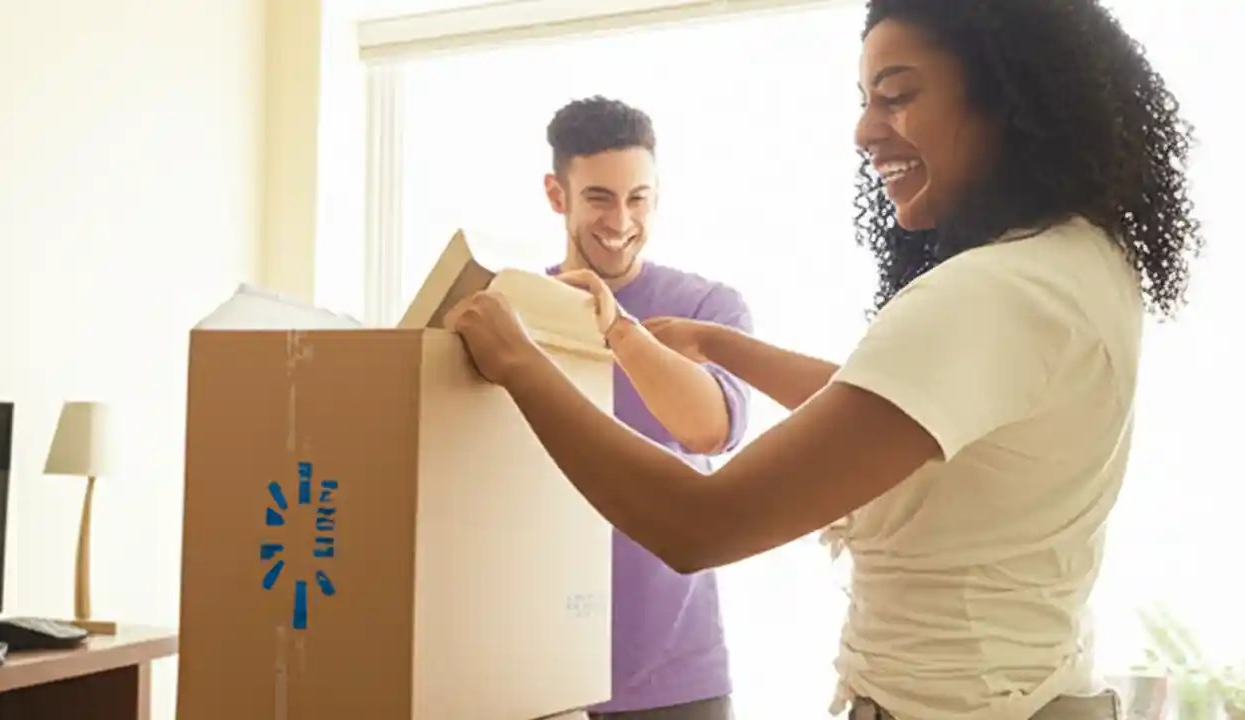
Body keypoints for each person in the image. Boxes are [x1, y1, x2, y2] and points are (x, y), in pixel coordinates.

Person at [448, 1, 1202, 718]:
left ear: (1010, 95)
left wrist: (519, 362)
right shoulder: (1078, 262)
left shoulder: (996, 292)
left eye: (897, 96)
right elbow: (878, 409)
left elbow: (699, 521)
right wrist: (719, 345)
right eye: (865, 99)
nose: (864, 131)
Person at [540, 96, 754, 719]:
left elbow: (712, 430)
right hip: (532, 664)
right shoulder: (513, 308)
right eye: (600, 198)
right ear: (559, 195)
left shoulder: (710, 307)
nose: (621, 221)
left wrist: (615, 325)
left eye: (639, 198)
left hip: (673, 676)